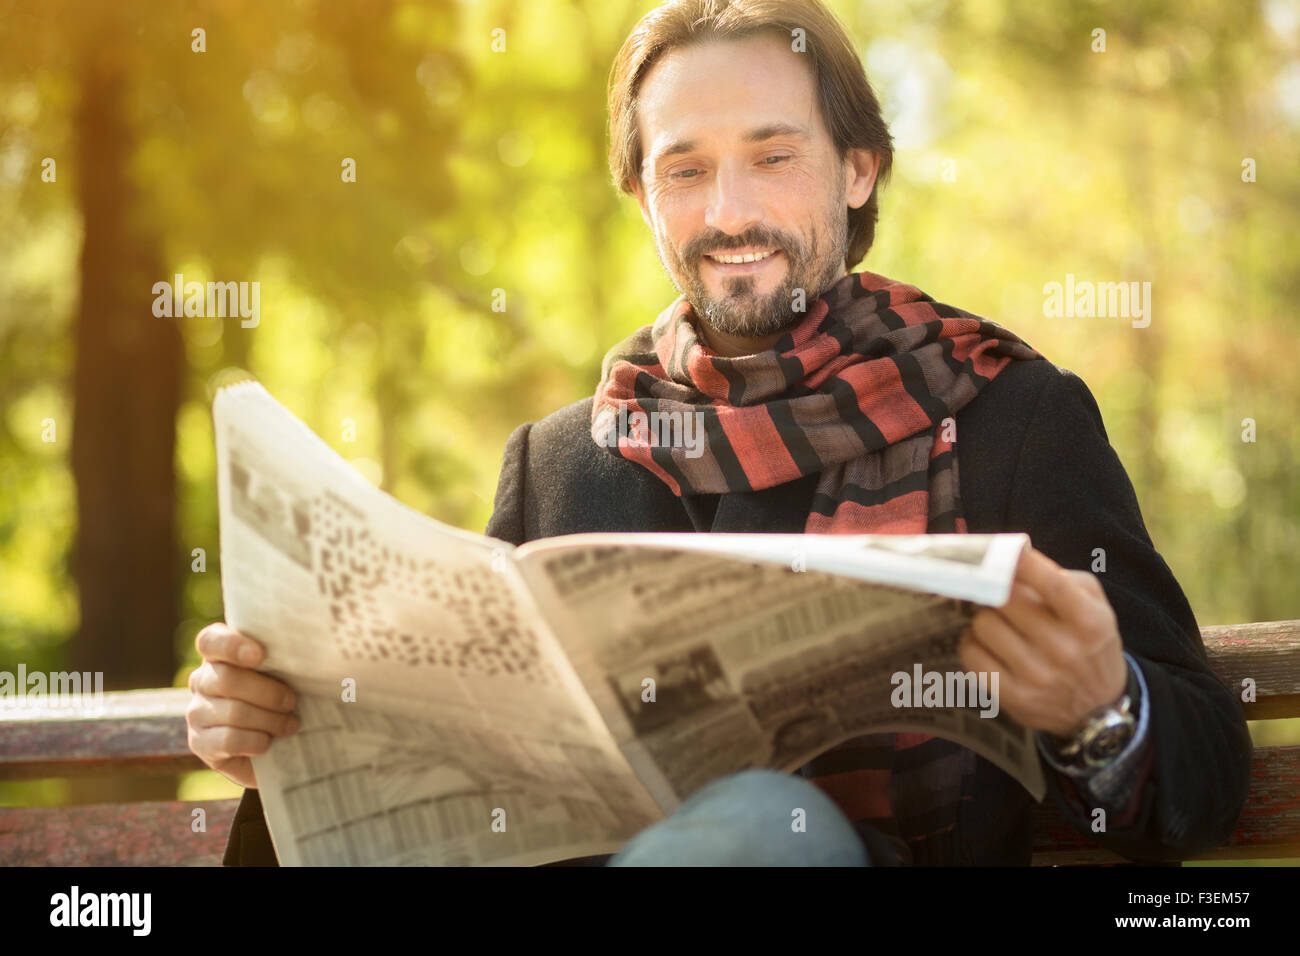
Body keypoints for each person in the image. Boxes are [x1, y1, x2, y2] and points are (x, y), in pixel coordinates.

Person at [189, 0, 1251, 866]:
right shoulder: (561, 464)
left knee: (753, 821)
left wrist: (1105, 712)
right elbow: (447, 798)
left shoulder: (1012, 418)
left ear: (857, 168)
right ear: (643, 199)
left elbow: (1204, 765)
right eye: (684, 170)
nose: (728, 211)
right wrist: (286, 742)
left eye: (772, 156)